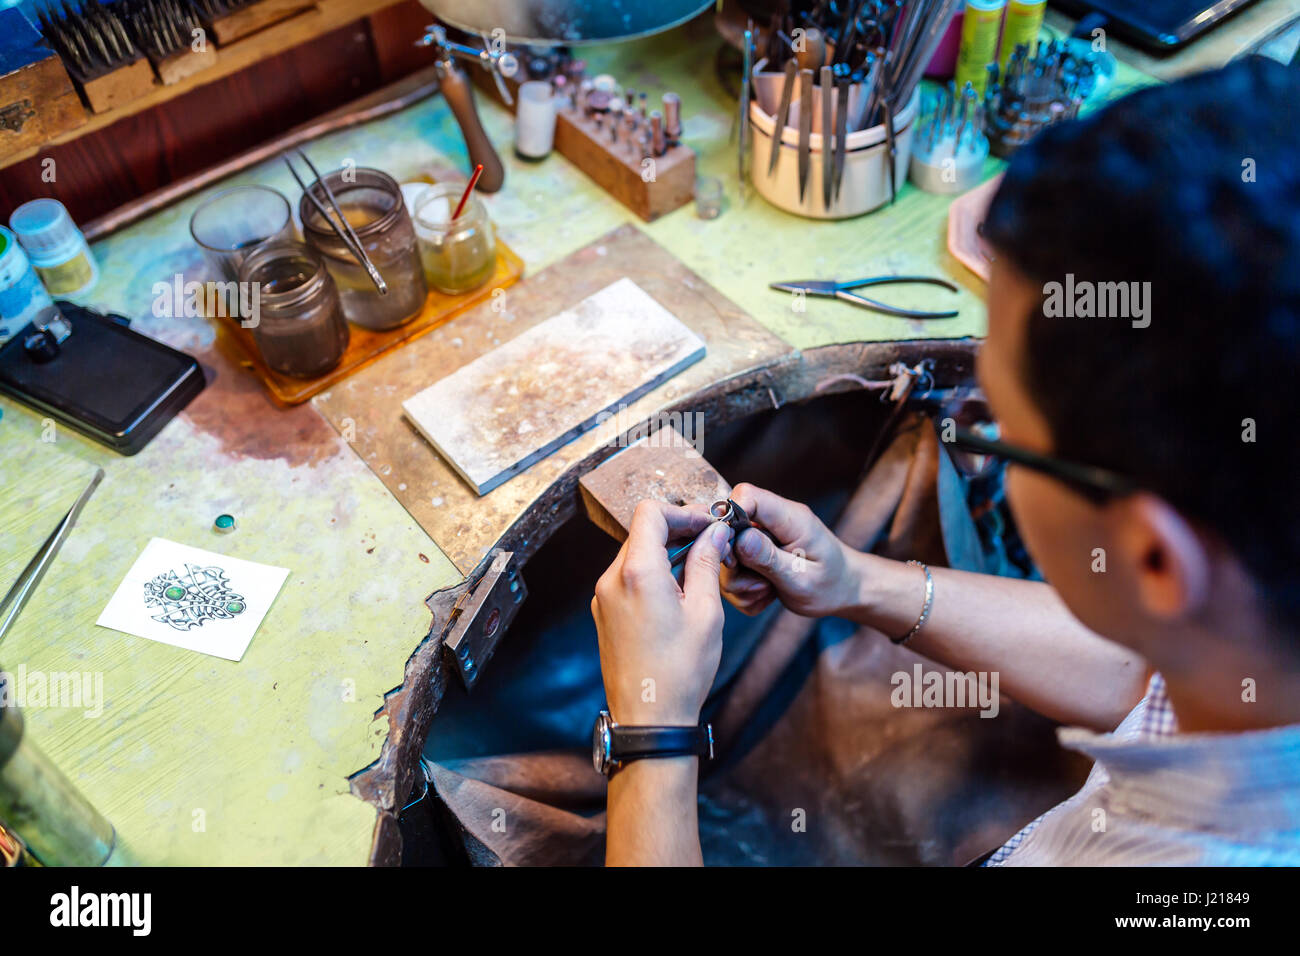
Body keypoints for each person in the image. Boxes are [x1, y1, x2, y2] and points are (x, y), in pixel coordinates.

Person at [590, 58, 1300, 866]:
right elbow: (1155, 683)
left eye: (1001, 430)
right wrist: (856, 582)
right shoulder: (1250, 661)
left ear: (1153, 556)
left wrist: (650, 731)